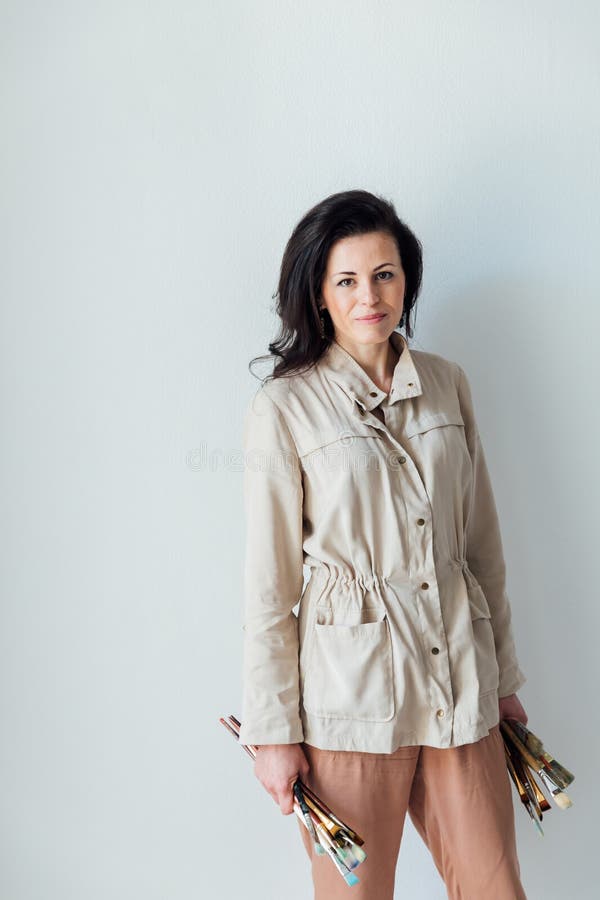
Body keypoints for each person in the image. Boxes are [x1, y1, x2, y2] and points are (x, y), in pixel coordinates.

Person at [238, 189, 529, 899]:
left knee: (496, 890)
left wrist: (507, 684)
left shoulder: (447, 384)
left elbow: (481, 545)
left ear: (407, 282)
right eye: (347, 280)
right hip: (349, 704)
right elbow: (269, 585)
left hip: (461, 683)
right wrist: (272, 731)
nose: (369, 295)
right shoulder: (286, 406)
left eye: (385, 274)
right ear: (320, 294)